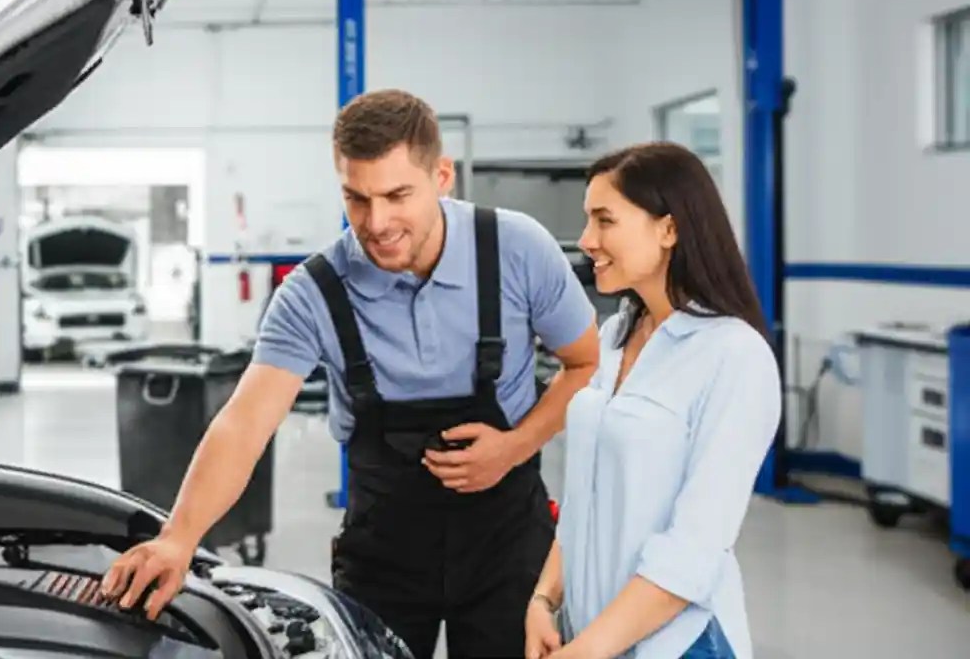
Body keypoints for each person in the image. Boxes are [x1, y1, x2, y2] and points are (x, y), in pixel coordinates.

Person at [101, 88, 601, 658]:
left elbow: (586, 364)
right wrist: (178, 539)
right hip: (384, 550)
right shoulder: (314, 294)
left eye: (396, 195)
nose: (377, 221)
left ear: (442, 176)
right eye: (356, 198)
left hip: (507, 543)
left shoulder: (517, 250)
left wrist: (514, 447)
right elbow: (244, 425)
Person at [524, 142, 781, 659]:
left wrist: (590, 650)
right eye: (587, 220)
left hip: (678, 644)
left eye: (605, 221)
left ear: (668, 229)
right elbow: (583, 497)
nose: (586, 240)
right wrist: (543, 599)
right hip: (591, 634)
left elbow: (694, 547)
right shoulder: (615, 337)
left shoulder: (733, 355)